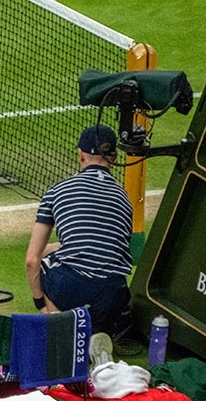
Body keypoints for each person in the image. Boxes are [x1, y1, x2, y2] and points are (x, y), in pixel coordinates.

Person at [24, 125, 134, 339]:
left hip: (71, 288)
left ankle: (59, 325)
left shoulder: (57, 191)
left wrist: (39, 303)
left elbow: (31, 259)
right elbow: (113, 247)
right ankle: (97, 330)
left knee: (43, 262)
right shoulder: (124, 198)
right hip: (114, 293)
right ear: (113, 157)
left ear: (81, 155)